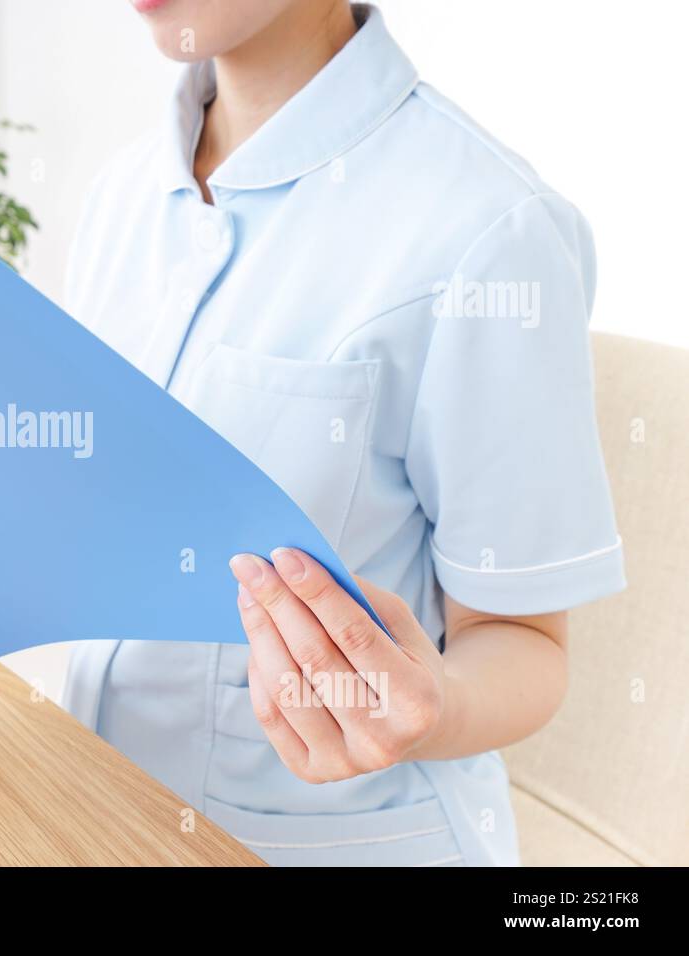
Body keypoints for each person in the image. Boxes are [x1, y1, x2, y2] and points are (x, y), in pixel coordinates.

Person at [62, 0, 625, 865]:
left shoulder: (492, 231)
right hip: (85, 813)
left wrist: (432, 703)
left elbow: (525, 644)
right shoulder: (118, 197)